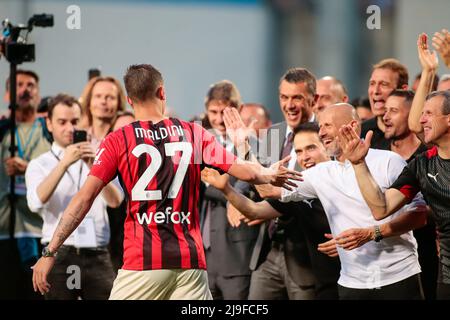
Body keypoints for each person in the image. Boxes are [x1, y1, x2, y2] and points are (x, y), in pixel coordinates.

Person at [31, 64, 301, 300]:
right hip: (190, 263)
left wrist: (50, 251)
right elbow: (245, 172)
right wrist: (266, 173)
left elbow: (84, 199)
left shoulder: (118, 140)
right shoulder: (193, 133)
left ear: (128, 99)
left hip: (143, 262)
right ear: (162, 92)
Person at [255, 104, 427, 299]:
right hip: (351, 283)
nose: (321, 133)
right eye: (320, 126)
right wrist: (259, 167)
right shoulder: (321, 173)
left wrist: (372, 233)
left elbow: (419, 216)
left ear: (352, 126)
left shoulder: (389, 161)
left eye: (327, 126)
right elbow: (267, 190)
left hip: (399, 276)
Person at [203, 121, 341, 299]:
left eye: (311, 148)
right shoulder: (301, 184)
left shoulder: (346, 175)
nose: (304, 157)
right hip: (326, 283)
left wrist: (363, 237)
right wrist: (227, 190)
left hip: (361, 278)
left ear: (327, 146)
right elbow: (255, 209)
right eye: (298, 151)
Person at [25, 94, 123, 299]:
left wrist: (94, 166)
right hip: (59, 254)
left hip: (97, 252)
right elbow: (35, 202)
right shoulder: (40, 164)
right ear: (49, 124)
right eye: (62, 122)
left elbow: (116, 201)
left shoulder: (98, 156)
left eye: (75, 122)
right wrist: (63, 164)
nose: (70, 128)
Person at [199, 80, 260, 300]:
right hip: (202, 255)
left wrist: (212, 184)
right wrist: (228, 192)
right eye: (213, 112)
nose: (217, 119)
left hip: (236, 253)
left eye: (223, 112)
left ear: (239, 109)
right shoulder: (201, 143)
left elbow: (250, 189)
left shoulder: (253, 145)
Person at [383, 89, 438, 299]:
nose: (385, 116)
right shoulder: (378, 152)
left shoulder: (426, 156)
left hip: (429, 254)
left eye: (394, 111)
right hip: (399, 261)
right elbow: (382, 208)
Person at [0, 69, 51, 299]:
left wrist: (28, 167)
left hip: (39, 230)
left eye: (31, 85)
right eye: (18, 85)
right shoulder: (1, 129)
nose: (25, 90)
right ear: (7, 96)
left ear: (38, 95)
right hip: (4, 229)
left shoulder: (48, 131)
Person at [361, 58, 409, 150]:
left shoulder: (414, 133)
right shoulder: (361, 131)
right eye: (372, 83)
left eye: (384, 84)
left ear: (402, 90)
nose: (375, 91)